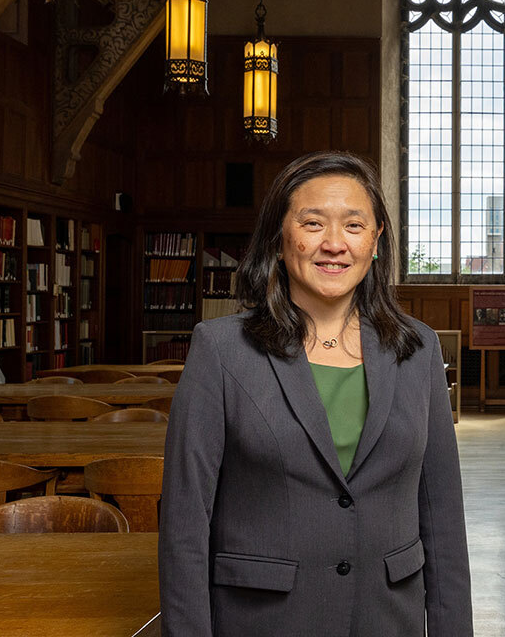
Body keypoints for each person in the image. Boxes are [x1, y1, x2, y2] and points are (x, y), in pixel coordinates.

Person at [159, 151, 472, 637]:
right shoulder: (220, 351)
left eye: (353, 225)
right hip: (264, 621)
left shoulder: (418, 348)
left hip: (388, 619)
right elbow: (184, 525)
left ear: (376, 239)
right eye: (311, 223)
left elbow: (443, 516)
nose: (333, 245)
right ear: (280, 238)